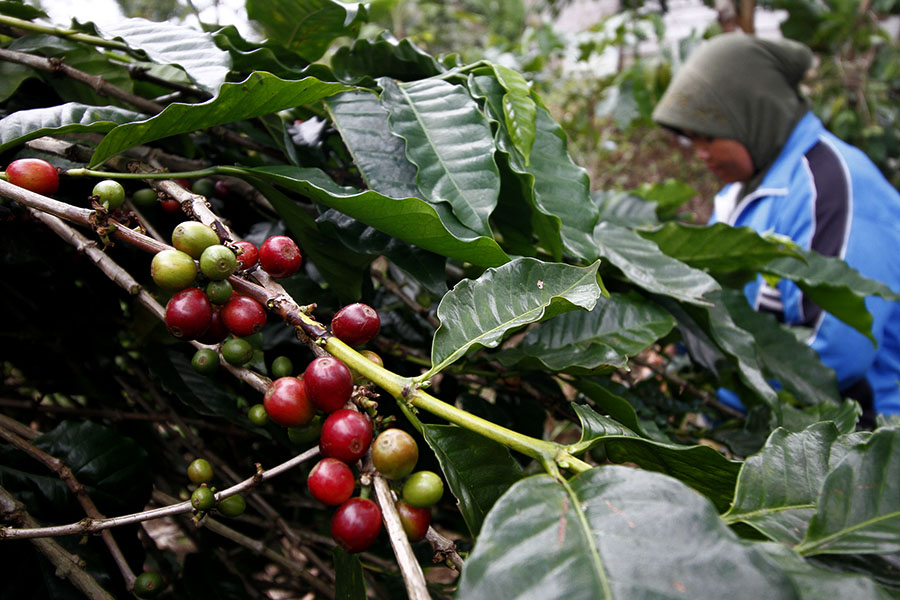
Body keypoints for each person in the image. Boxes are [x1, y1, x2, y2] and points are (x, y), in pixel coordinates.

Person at [651, 32, 900, 420]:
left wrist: (722, 395)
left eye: (710, 137)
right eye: (691, 139)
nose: (701, 154)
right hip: (777, 430)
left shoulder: (830, 186)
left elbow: (835, 353)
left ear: (755, 113)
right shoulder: (741, 193)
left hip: (862, 439)